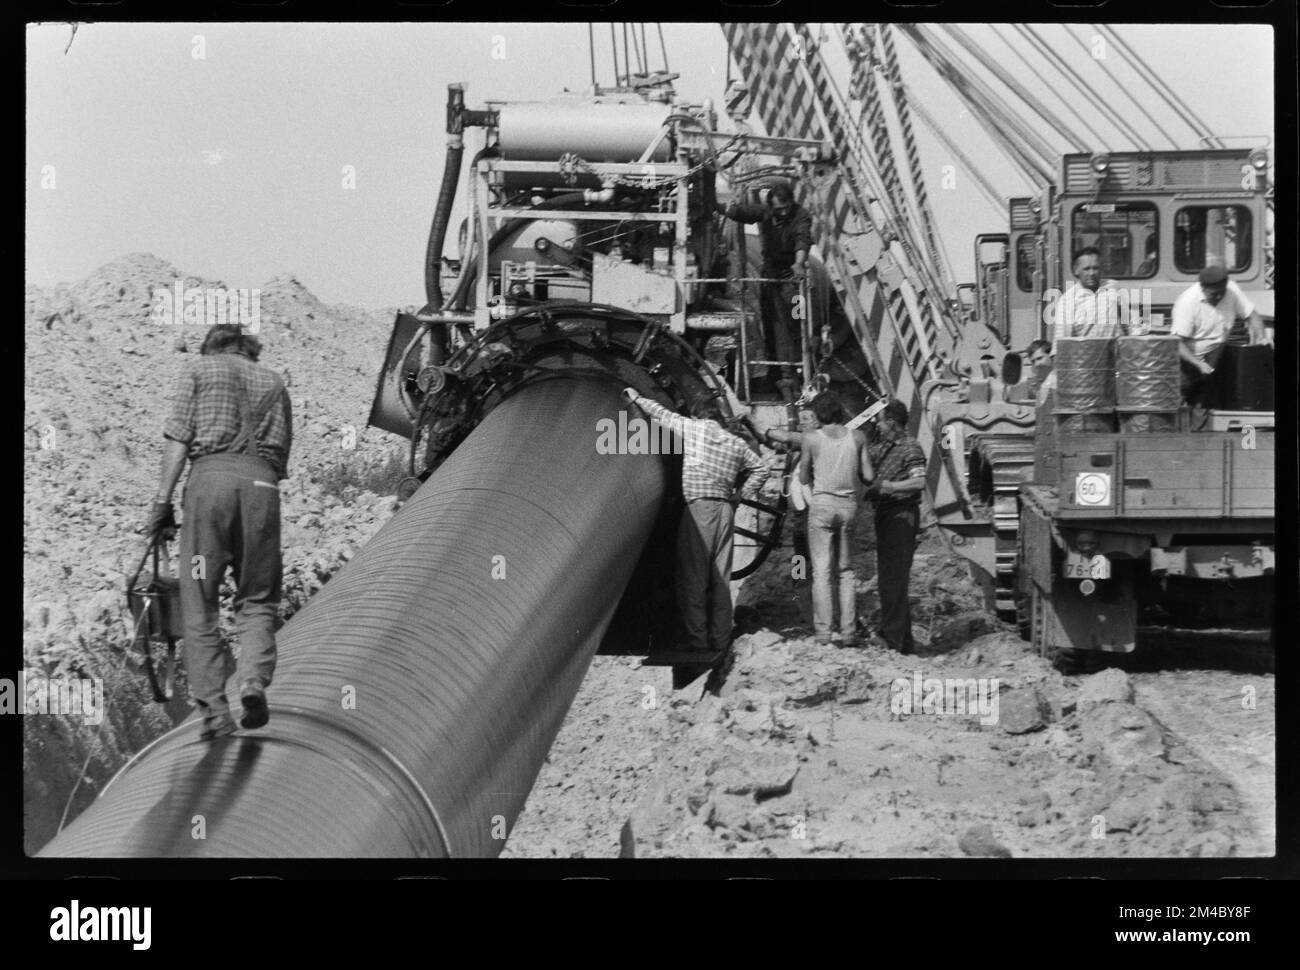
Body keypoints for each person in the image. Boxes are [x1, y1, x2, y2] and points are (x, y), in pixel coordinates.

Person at [147, 323, 292, 740]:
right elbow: (281, 460)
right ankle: (252, 681)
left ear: (211, 349)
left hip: (209, 492)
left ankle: (214, 712)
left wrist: (161, 504)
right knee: (259, 599)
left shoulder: (198, 371)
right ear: (249, 351)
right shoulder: (276, 383)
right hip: (263, 492)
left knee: (199, 599)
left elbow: (178, 442)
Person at [623, 388, 769, 658]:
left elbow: (661, 414)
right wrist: (741, 495)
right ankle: (721, 639)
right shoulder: (734, 442)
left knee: (693, 577)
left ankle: (698, 641)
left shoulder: (694, 429)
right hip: (725, 510)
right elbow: (762, 468)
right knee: (720, 578)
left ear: (696, 413)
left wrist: (635, 398)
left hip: (698, 509)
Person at [766, 392, 873, 646]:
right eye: (800, 418)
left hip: (816, 515)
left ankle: (822, 624)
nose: (802, 422)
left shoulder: (810, 440)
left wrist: (756, 423)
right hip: (802, 521)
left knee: (822, 571)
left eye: (807, 418)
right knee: (802, 565)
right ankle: (803, 605)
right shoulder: (845, 439)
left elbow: (785, 439)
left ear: (818, 419)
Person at [717, 183, 813, 394]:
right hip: (770, 279)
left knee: (794, 326)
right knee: (770, 327)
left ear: (792, 203)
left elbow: (802, 240)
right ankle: (775, 375)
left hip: (793, 284)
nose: (784, 212)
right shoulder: (767, 213)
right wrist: (719, 207)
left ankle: (794, 377)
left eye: (787, 207)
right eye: (779, 209)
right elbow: (744, 213)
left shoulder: (801, 216)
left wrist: (798, 263)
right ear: (771, 206)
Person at [863, 399, 927, 655]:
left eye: (880, 421)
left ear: (891, 422)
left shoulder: (910, 447)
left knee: (893, 580)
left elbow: (920, 481)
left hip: (901, 516)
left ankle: (892, 639)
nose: (877, 426)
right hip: (888, 515)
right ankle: (905, 641)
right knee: (892, 580)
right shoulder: (884, 447)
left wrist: (888, 487)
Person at [1171, 264, 1270, 406]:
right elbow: (1177, 343)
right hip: (1188, 362)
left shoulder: (1231, 289)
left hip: (1215, 358)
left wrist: (1262, 338)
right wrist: (1198, 364)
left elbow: (1252, 315)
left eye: (1221, 292)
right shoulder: (1187, 302)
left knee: (1206, 403)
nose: (1218, 297)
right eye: (1213, 294)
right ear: (1203, 288)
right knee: (1180, 398)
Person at [1053, 246, 1130, 349]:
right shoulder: (1067, 300)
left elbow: (1130, 324)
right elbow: (1061, 338)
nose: (1092, 273)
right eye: (1086, 269)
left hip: (1116, 356)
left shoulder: (1114, 289)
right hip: (1086, 358)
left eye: (1095, 268)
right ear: (1076, 271)